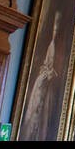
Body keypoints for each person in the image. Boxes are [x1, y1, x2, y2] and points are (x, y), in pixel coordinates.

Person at [20, 10, 65, 140]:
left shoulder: (58, 47)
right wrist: (44, 73)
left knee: (43, 117)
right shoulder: (46, 43)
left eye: (58, 25)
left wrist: (52, 74)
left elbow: (57, 70)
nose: (55, 29)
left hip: (48, 86)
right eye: (54, 25)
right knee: (33, 113)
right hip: (40, 83)